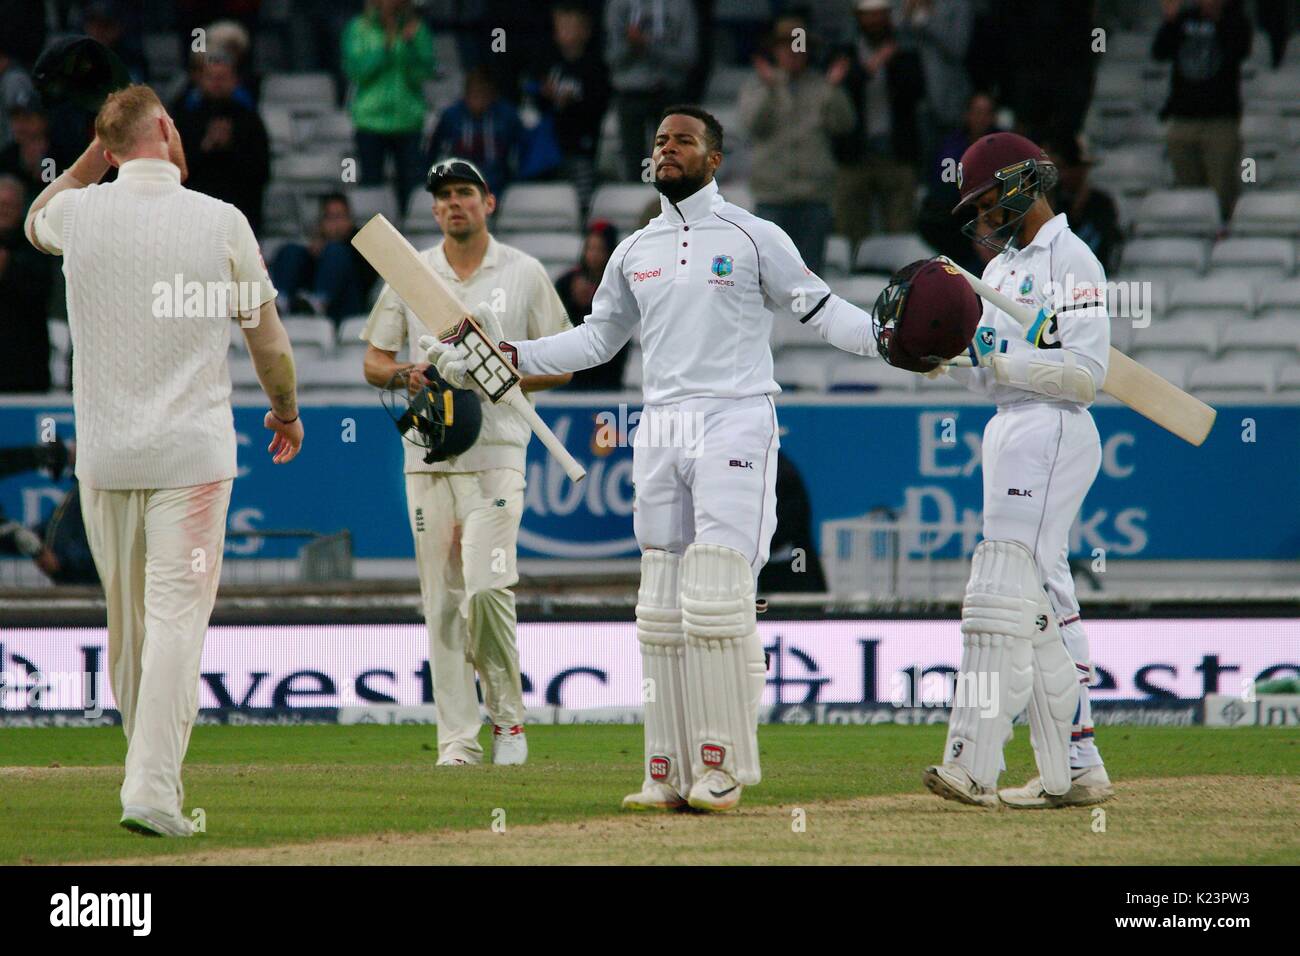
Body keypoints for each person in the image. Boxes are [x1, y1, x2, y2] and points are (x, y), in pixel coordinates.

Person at [437, 106, 881, 812]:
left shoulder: (753, 235)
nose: (666, 149)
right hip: (661, 425)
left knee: (717, 592)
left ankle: (723, 765)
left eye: (683, 141)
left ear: (715, 159)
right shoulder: (635, 249)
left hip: (735, 418)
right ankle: (665, 769)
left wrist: (889, 340)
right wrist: (511, 357)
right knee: (661, 601)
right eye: (659, 142)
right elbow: (594, 342)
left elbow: (821, 309)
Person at [24, 84, 303, 836]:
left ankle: (147, 778)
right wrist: (286, 410)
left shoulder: (80, 212)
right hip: (192, 454)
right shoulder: (221, 220)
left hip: (108, 457)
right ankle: (150, 787)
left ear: (109, 148)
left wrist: (93, 155)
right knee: (176, 620)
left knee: (130, 628)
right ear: (169, 132)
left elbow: (33, 217)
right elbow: (268, 340)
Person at [919, 132, 1114, 810]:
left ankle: (981, 764)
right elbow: (985, 376)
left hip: (1056, 426)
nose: (982, 217)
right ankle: (1078, 762)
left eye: (986, 200)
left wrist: (1003, 366)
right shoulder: (998, 273)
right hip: (1009, 427)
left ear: (1018, 186)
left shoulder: (1073, 258)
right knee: (1038, 592)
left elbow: (1088, 376)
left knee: (1012, 588)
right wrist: (949, 358)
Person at [361, 158, 573, 766]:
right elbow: (374, 361)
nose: (454, 203)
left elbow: (563, 360)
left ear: (489, 202)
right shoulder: (411, 272)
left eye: (465, 193)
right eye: (444, 196)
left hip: (498, 452)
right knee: (442, 600)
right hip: (428, 453)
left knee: (485, 588)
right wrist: (408, 372)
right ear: (433, 210)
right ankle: (458, 739)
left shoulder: (525, 273)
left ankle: (508, 720)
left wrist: (506, 368)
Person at [739, 13, 854, 276]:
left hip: (814, 197)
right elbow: (750, 125)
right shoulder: (757, 85)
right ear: (775, 51)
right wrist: (770, 89)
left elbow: (844, 125)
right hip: (772, 196)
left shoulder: (823, 86)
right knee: (769, 276)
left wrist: (832, 90)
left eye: (799, 46)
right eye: (787, 46)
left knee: (810, 277)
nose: (794, 53)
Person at [833, 0, 925, 246]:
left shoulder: (905, 49)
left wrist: (892, 62)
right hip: (854, 153)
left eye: (879, 15)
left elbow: (916, 91)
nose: (874, 22)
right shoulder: (845, 51)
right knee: (851, 231)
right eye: (868, 16)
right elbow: (839, 91)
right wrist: (873, 66)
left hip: (896, 151)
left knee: (900, 228)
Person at [1153, 0, 1252, 221]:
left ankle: (1223, 232)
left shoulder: (1235, 21)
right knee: (1187, 190)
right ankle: (1191, 233)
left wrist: (1218, 19)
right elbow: (1159, 52)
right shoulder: (1183, 19)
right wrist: (1169, 21)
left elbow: (1241, 50)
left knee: (1222, 188)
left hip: (1220, 120)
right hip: (1182, 118)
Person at [342, 0, 436, 210]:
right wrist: (387, 45)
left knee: (412, 188)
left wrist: (410, 45)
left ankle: (409, 235)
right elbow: (358, 72)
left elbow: (423, 74)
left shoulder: (417, 29)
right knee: (371, 186)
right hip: (370, 121)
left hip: (408, 121)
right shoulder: (359, 28)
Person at [528, 1, 612, 216]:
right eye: (561, 27)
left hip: (581, 144)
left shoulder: (594, 67)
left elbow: (598, 104)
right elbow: (538, 101)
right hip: (553, 146)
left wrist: (572, 102)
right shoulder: (550, 64)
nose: (565, 33)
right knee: (552, 197)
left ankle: (583, 223)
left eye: (570, 27)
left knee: (581, 196)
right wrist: (545, 96)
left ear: (585, 31)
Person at [172, 53, 271, 233]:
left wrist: (231, 147)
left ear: (235, 80)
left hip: (240, 215)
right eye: (211, 77)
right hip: (194, 216)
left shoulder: (249, 120)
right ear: (200, 80)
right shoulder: (185, 120)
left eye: (223, 77)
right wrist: (205, 146)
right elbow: (175, 171)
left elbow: (262, 172)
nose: (217, 83)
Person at [605, 0, 700, 181]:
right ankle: (637, 202)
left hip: (669, 92)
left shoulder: (681, 6)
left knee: (671, 165)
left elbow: (689, 58)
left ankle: (669, 205)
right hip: (630, 93)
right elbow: (610, 58)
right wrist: (631, 46)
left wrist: (649, 47)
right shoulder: (618, 5)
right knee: (635, 167)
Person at [269, 192, 377, 320]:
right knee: (291, 250)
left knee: (335, 251)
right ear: (321, 222)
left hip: (346, 307)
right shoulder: (319, 245)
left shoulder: (361, 244)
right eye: (329, 217)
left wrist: (334, 248)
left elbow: (367, 278)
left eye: (339, 217)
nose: (335, 223)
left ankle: (319, 301)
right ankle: (281, 301)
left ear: (349, 220)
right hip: (307, 302)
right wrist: (315, 255)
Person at [555, 220, 630, 390]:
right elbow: (557, 325)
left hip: (608, 373)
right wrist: (574, 303)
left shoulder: (620, 282)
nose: (593, 255)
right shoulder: (567, 282)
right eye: (590, 248)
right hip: (573, 372)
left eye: (600, 250)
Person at [428, 67, 525, 198]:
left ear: (491, 95)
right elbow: (435, 150)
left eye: (482, 94)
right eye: (473, 94)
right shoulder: (451, 117)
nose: (478, 100)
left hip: (498, 180)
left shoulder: (506, 116)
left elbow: (521, 149)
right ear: (466, 94)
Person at [0, 174, 53, 392]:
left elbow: (43, 288)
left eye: (10, 205)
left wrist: (9, 266)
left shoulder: (36, 243)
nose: (4, 211)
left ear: (22, 207)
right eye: (0, 205)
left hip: (25, 369)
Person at [1044, 135, 1123, 276]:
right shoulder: (1049, 202)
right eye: (1060, 169)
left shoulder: (1101, 203)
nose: (1064, 175)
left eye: (1068, 168)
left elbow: (1106, 244)